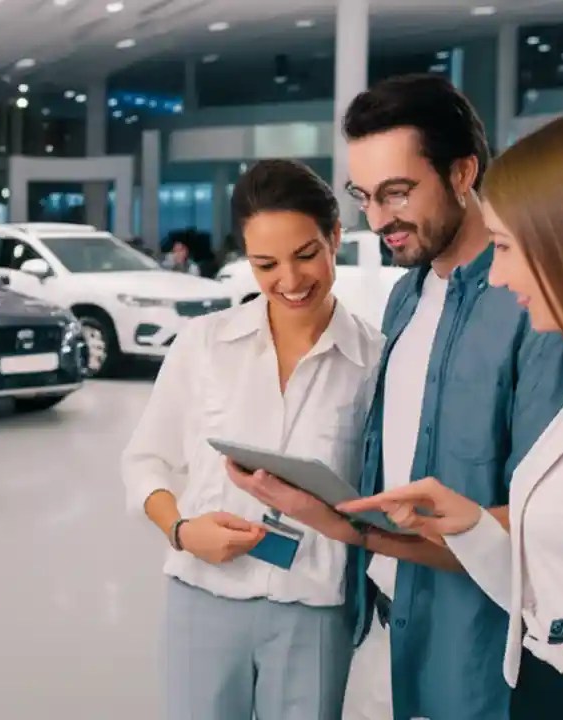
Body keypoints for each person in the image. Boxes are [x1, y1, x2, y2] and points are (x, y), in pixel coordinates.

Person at [223, 74, 563, 720]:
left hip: (477, 655)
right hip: (382, 636)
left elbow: (540, 525)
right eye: (365, 197)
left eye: (397, 193)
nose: (379, 218)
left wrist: (351, 530)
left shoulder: (536, 311)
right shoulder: (404, 298)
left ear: (463, 172)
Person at [339, 106, 563, 719]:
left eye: (504, 247)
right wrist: (471, 523)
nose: (495, 275)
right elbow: (554, 574)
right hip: (541, 676)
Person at [121, 159, 384, 720]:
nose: (289, 281)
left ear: (335, 236)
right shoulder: (205, 344)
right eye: (266, 264)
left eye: (306, 254)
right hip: (205, 597)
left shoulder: (372, 361)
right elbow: (145, 461)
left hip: (314, 612)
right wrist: (182, 530)